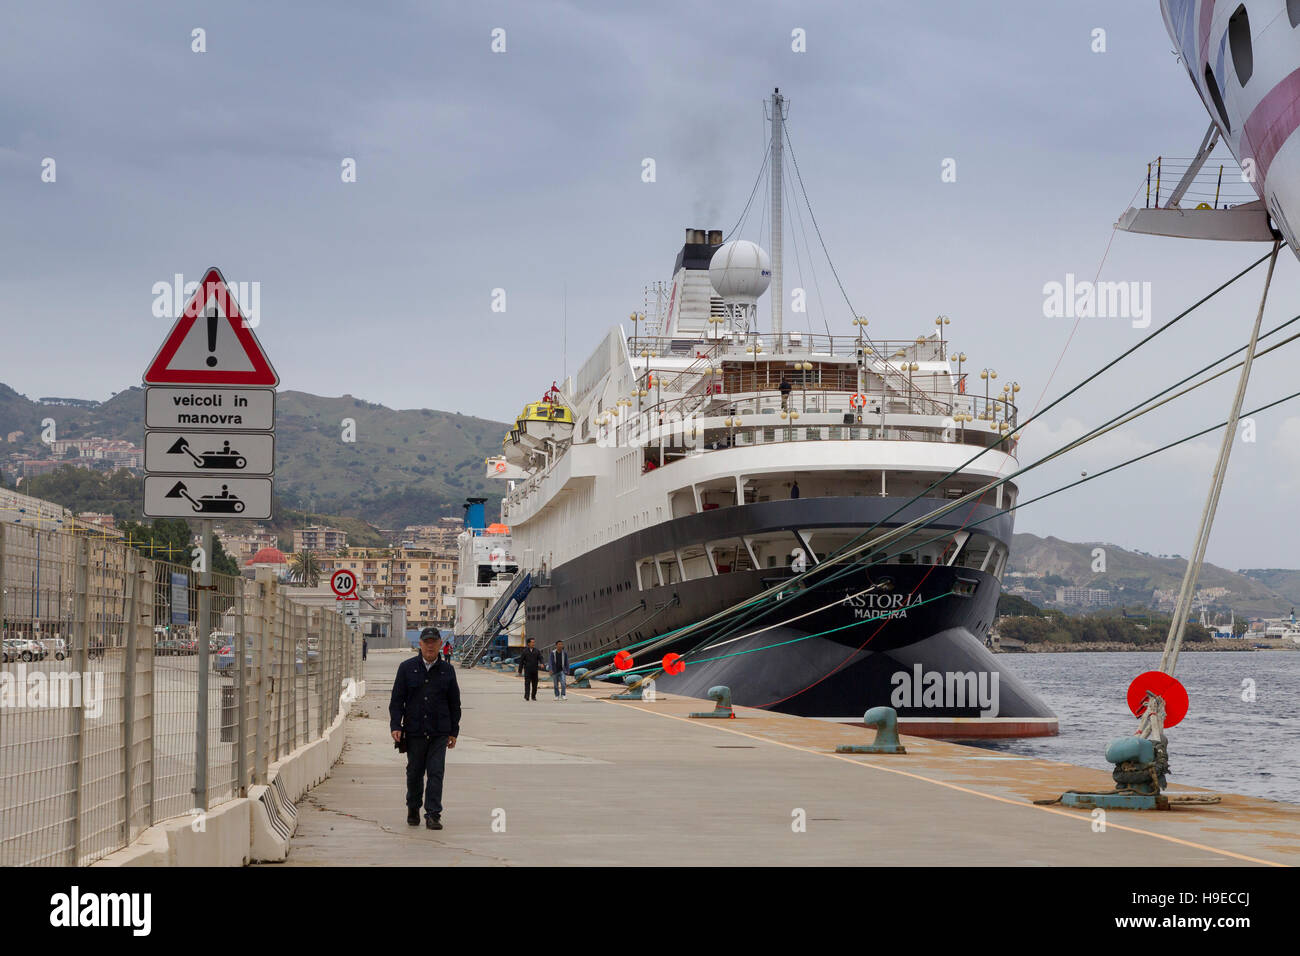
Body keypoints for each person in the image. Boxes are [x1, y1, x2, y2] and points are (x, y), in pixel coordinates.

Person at [390, 627, 461, 830]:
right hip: (414, 731)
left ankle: (433, 814)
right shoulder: (406, 668)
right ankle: (413, 807)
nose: (430, 645)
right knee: (414, 773)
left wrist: (453, 731)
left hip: (439, 732)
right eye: (426, 642)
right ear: (419, 644)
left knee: (436, 773)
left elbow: (454, 703)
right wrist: (396, 725)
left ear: (440, 644)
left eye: (434, 642)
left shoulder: (448, 670)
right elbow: (397, 700)